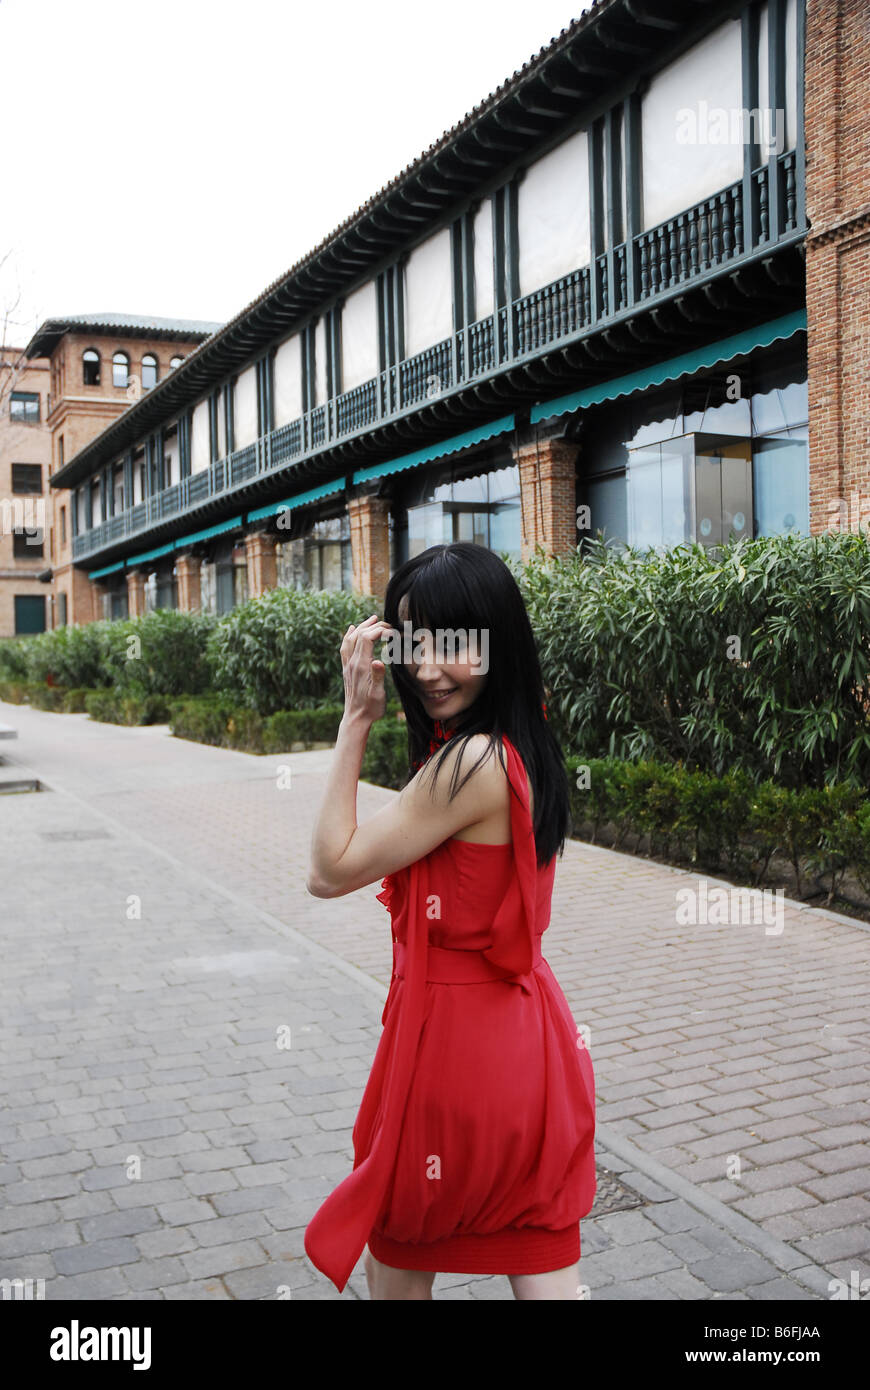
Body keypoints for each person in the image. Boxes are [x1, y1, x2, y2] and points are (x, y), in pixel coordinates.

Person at [304, 541, 596, 1300]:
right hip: (528, 1043)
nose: (429, 668)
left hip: (453, 1053)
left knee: (403, 1246)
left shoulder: (468, 766)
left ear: (499, 643)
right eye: (413, 642)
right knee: (537, 1252)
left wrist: (353, 719)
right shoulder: (523, 738)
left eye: (455, 643)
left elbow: (328, 869)